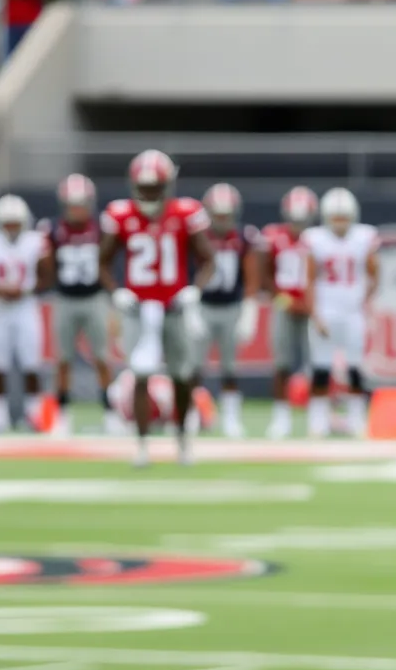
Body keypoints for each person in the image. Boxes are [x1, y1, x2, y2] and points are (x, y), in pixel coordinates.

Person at [99, 150, 216, 467]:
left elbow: (208, 259)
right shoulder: (120, 215)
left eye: (154, 187)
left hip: (174, 306)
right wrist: (117, 293)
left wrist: (194, 290)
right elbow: (103, 262)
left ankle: (182, 440)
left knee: (181, 375)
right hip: (137, 308)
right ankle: (141, 445)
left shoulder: (185, 213)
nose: (149, 194)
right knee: (139, 374)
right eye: (144, 187)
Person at [48, 174, 123, 436]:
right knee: (63, 360)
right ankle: (62, 416)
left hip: (95, 298)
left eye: (81, 204)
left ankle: (111, 413)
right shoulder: (53, 230)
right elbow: (49, 268)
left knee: (103, 357)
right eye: (72, 203)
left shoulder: (102, 228)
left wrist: (114, 298)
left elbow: (110, 261)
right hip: (66, 298)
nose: (76, 209)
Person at [302, 188, 380, 438]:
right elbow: (310, 279)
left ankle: (357, 420)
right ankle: (318, 421)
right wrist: (315, 313)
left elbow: (374, 274)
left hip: (352, 311)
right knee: (321, 368)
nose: (340, 223)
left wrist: (364, 302)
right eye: (336, 217)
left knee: (355, 368)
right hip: (326, 309)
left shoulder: (363, 237)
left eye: (344, 217)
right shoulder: (315, 239)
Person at [0, 194, 52, 432]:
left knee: (31, 362)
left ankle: (33, 415)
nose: (11, 228)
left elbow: (47, 277)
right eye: (7, 223)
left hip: (25, 307)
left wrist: (24, 290)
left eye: (15, 222)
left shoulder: (36, 241)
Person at [199, 183, 261, 438]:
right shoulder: (198, 234)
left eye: (226, 214)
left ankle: (231, 418)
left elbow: (251, 274)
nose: (222, 219)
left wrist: (249, 308)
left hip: (231, 306)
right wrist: (190, 304)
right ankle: (192, 414)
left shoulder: (244, 236)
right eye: (218, 213)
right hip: (202, 304)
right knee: (192, 366)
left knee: (230, 367)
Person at [261, 186, 318, 439]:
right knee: (282, 365)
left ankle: (317, 419)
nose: (298, 224)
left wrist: (312, 304)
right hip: (284, 304)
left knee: (316, 365)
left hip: (312, 308)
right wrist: (280, 297)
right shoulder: (273, 236)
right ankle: (281, 419)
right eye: (295, 219)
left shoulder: (318, 239)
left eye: (302, 219)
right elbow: (263, 272)